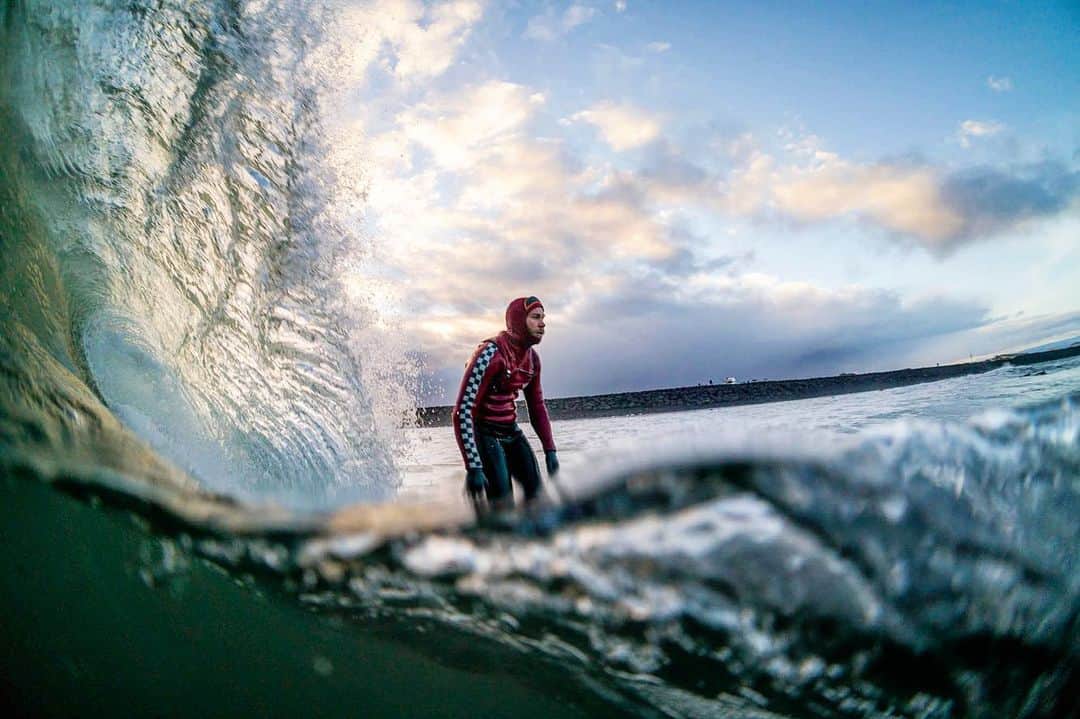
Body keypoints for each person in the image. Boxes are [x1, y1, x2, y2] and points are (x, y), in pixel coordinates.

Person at [452, 296, 558, 509]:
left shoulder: (532, 360)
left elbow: (536, 406)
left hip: (511, 432)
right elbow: (462, 411)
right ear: (519, 320)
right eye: (536, 317)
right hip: (485, 434)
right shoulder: (490, 354)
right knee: (503, 503)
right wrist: (473, 466)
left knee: (538, 498)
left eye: (543, 318)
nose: (543, 323)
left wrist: (550, 449)